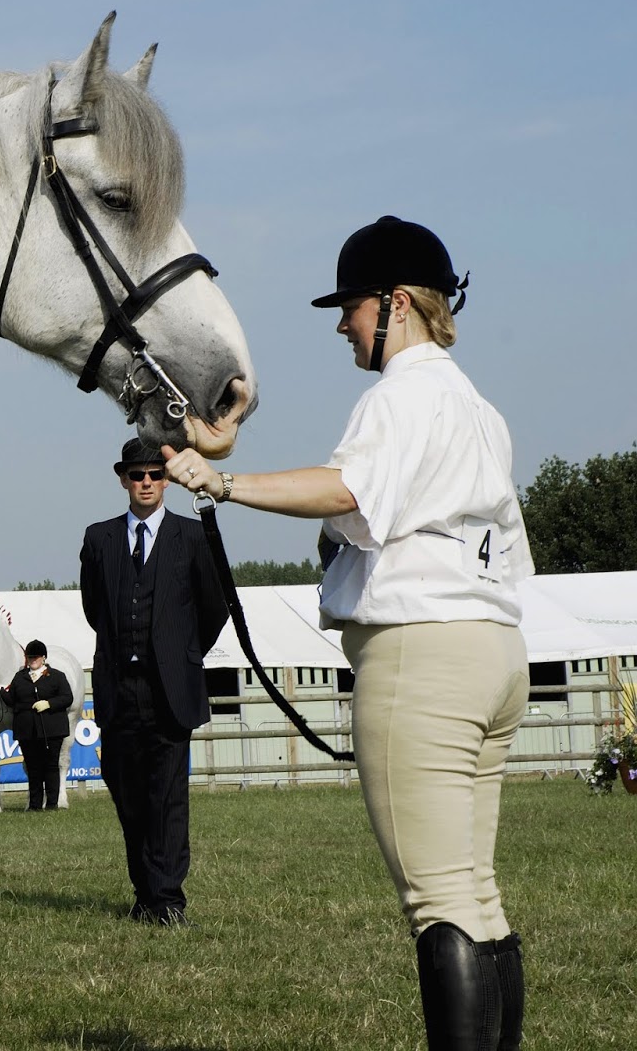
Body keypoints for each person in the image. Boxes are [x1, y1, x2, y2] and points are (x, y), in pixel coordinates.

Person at [162, 216, 532, 1050]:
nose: (343, 325)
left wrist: (223, 481)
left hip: (423, 657)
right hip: (494, 646)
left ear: (396, 304)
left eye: (353, 307)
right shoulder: (479, 408)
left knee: (439, 902)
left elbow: (346, 491)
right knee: (478, 893)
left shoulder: (398, 396)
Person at [79, 438, 227, 927]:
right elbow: (93, 609)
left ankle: (167, 900)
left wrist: (181, 654)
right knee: (127, 793)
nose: (146, 482)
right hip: (119, 687)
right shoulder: (99, 539)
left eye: (155, 475)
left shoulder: (191, 536)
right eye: (137, 474)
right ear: (122, 478)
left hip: (170, 690)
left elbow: (214, 607)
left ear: (167, 481)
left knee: (167, 795)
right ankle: (143, 893)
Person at [0, 641, 74, 811]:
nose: (32, 660)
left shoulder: (57, 676)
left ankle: (52, 803)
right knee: (33, 768)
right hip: (27, 731)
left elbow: (67, 698)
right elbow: (11, 701)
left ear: (43, 658)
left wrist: (49, 703)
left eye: (36, 657)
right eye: (30, 657)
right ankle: (34, 804)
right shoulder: (20, 677)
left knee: (51, 766)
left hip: (52, 730)